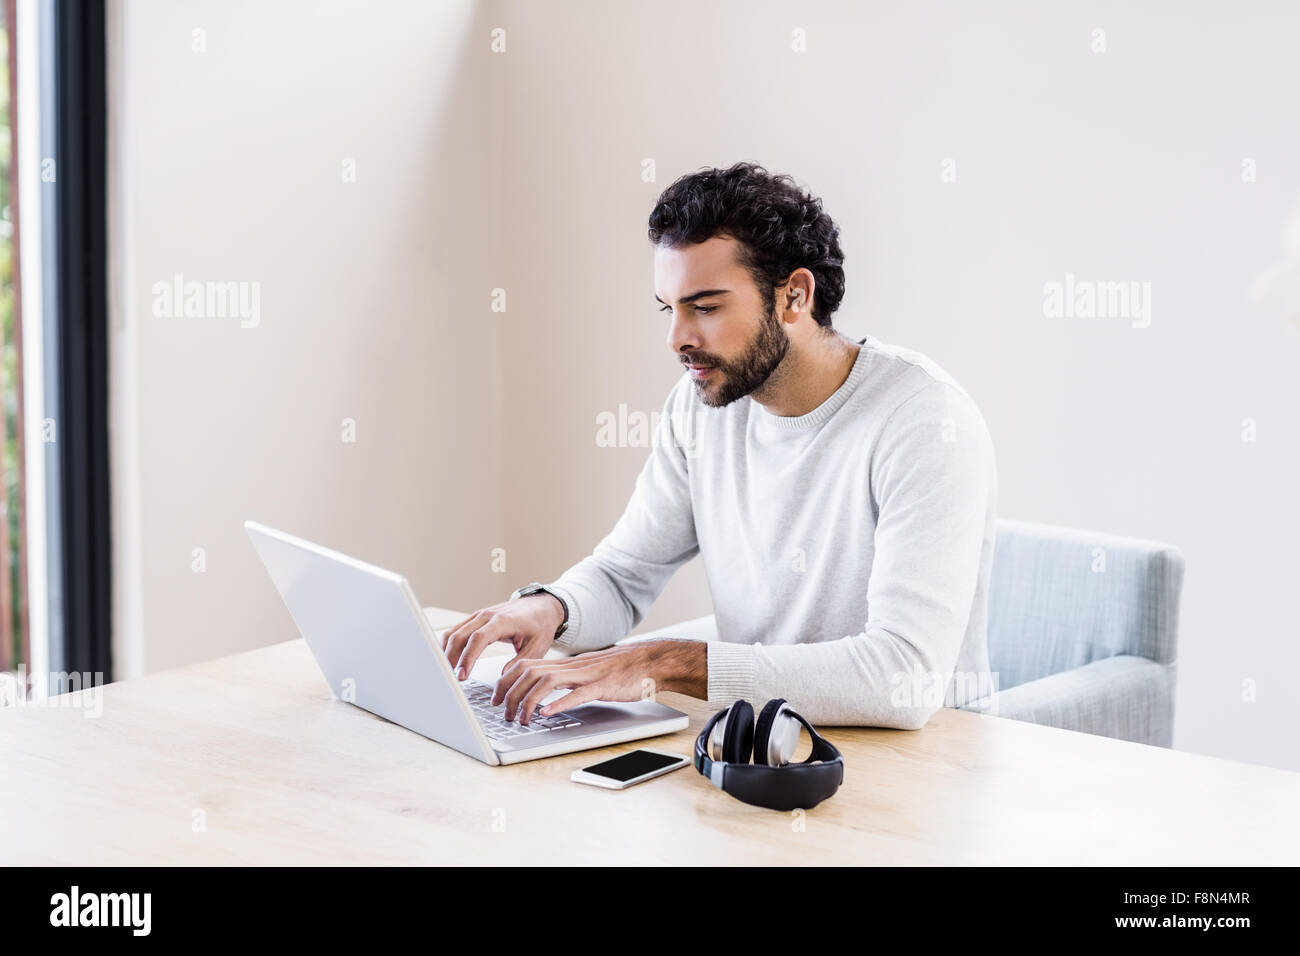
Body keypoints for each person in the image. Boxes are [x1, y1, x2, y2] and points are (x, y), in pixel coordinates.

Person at [441, 161, 998, 730]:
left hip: (922, 763)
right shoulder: (702, 404)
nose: (677, 339)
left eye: (705, 307)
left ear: (794, 297)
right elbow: (624, 572)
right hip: (757, 740)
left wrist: (661, 662)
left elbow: (902, 677)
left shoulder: (923, 419)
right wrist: (548, 609)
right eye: (670, 308)